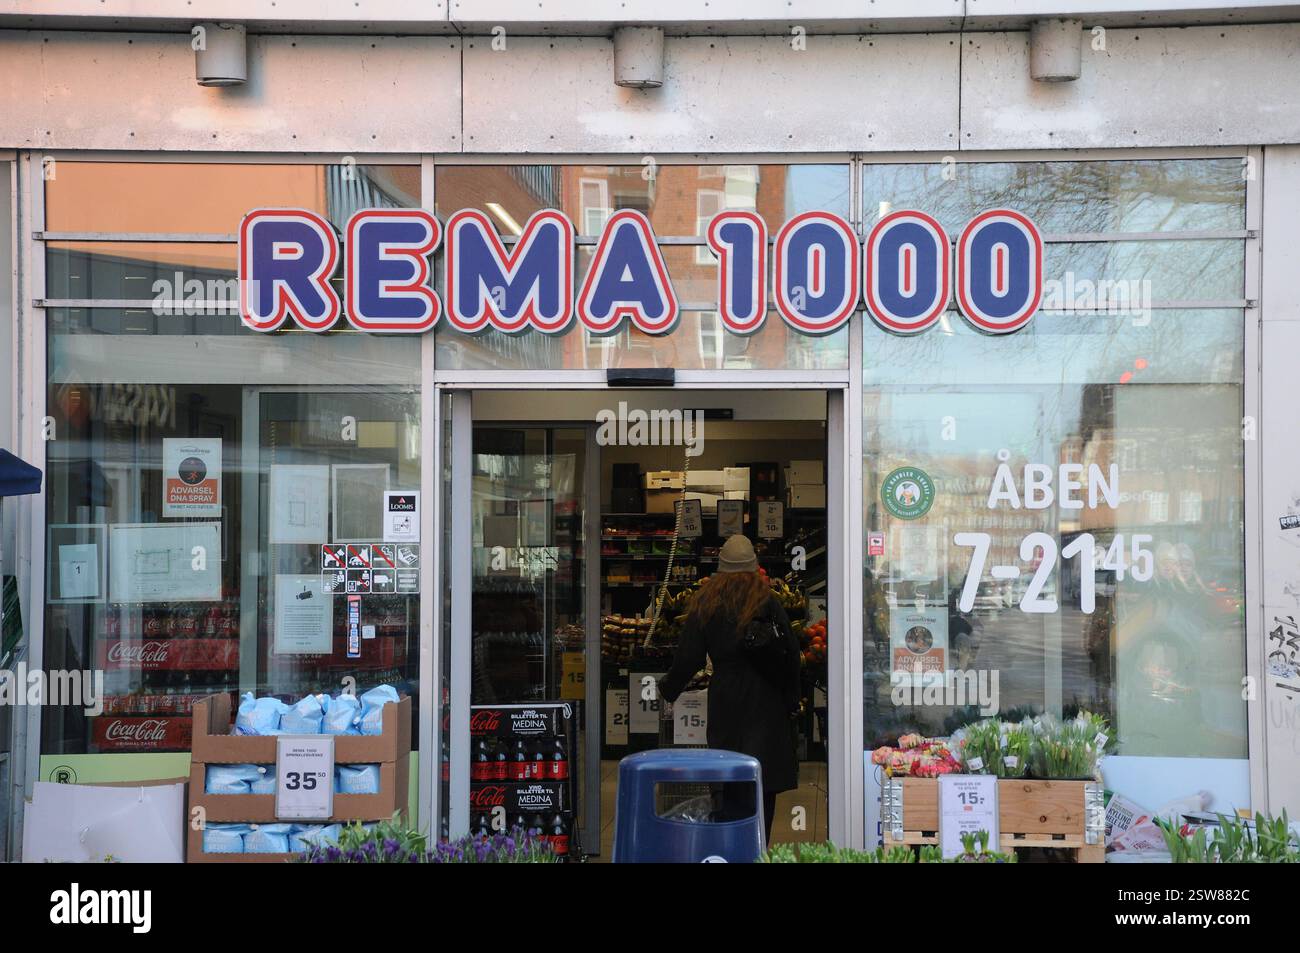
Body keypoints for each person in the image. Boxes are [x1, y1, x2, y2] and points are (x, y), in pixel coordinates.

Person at [658, 534, 802, 847]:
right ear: (753, 566)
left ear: (721, 567)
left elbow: (689, 658)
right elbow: (792, 653)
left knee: (727, 778)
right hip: (766, 701)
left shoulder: (707, 602)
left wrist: (668, 689)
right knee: (762, 783)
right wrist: (792, 700)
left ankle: (729, 846)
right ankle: (758, 846)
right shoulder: (767, 600)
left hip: (726, 700)